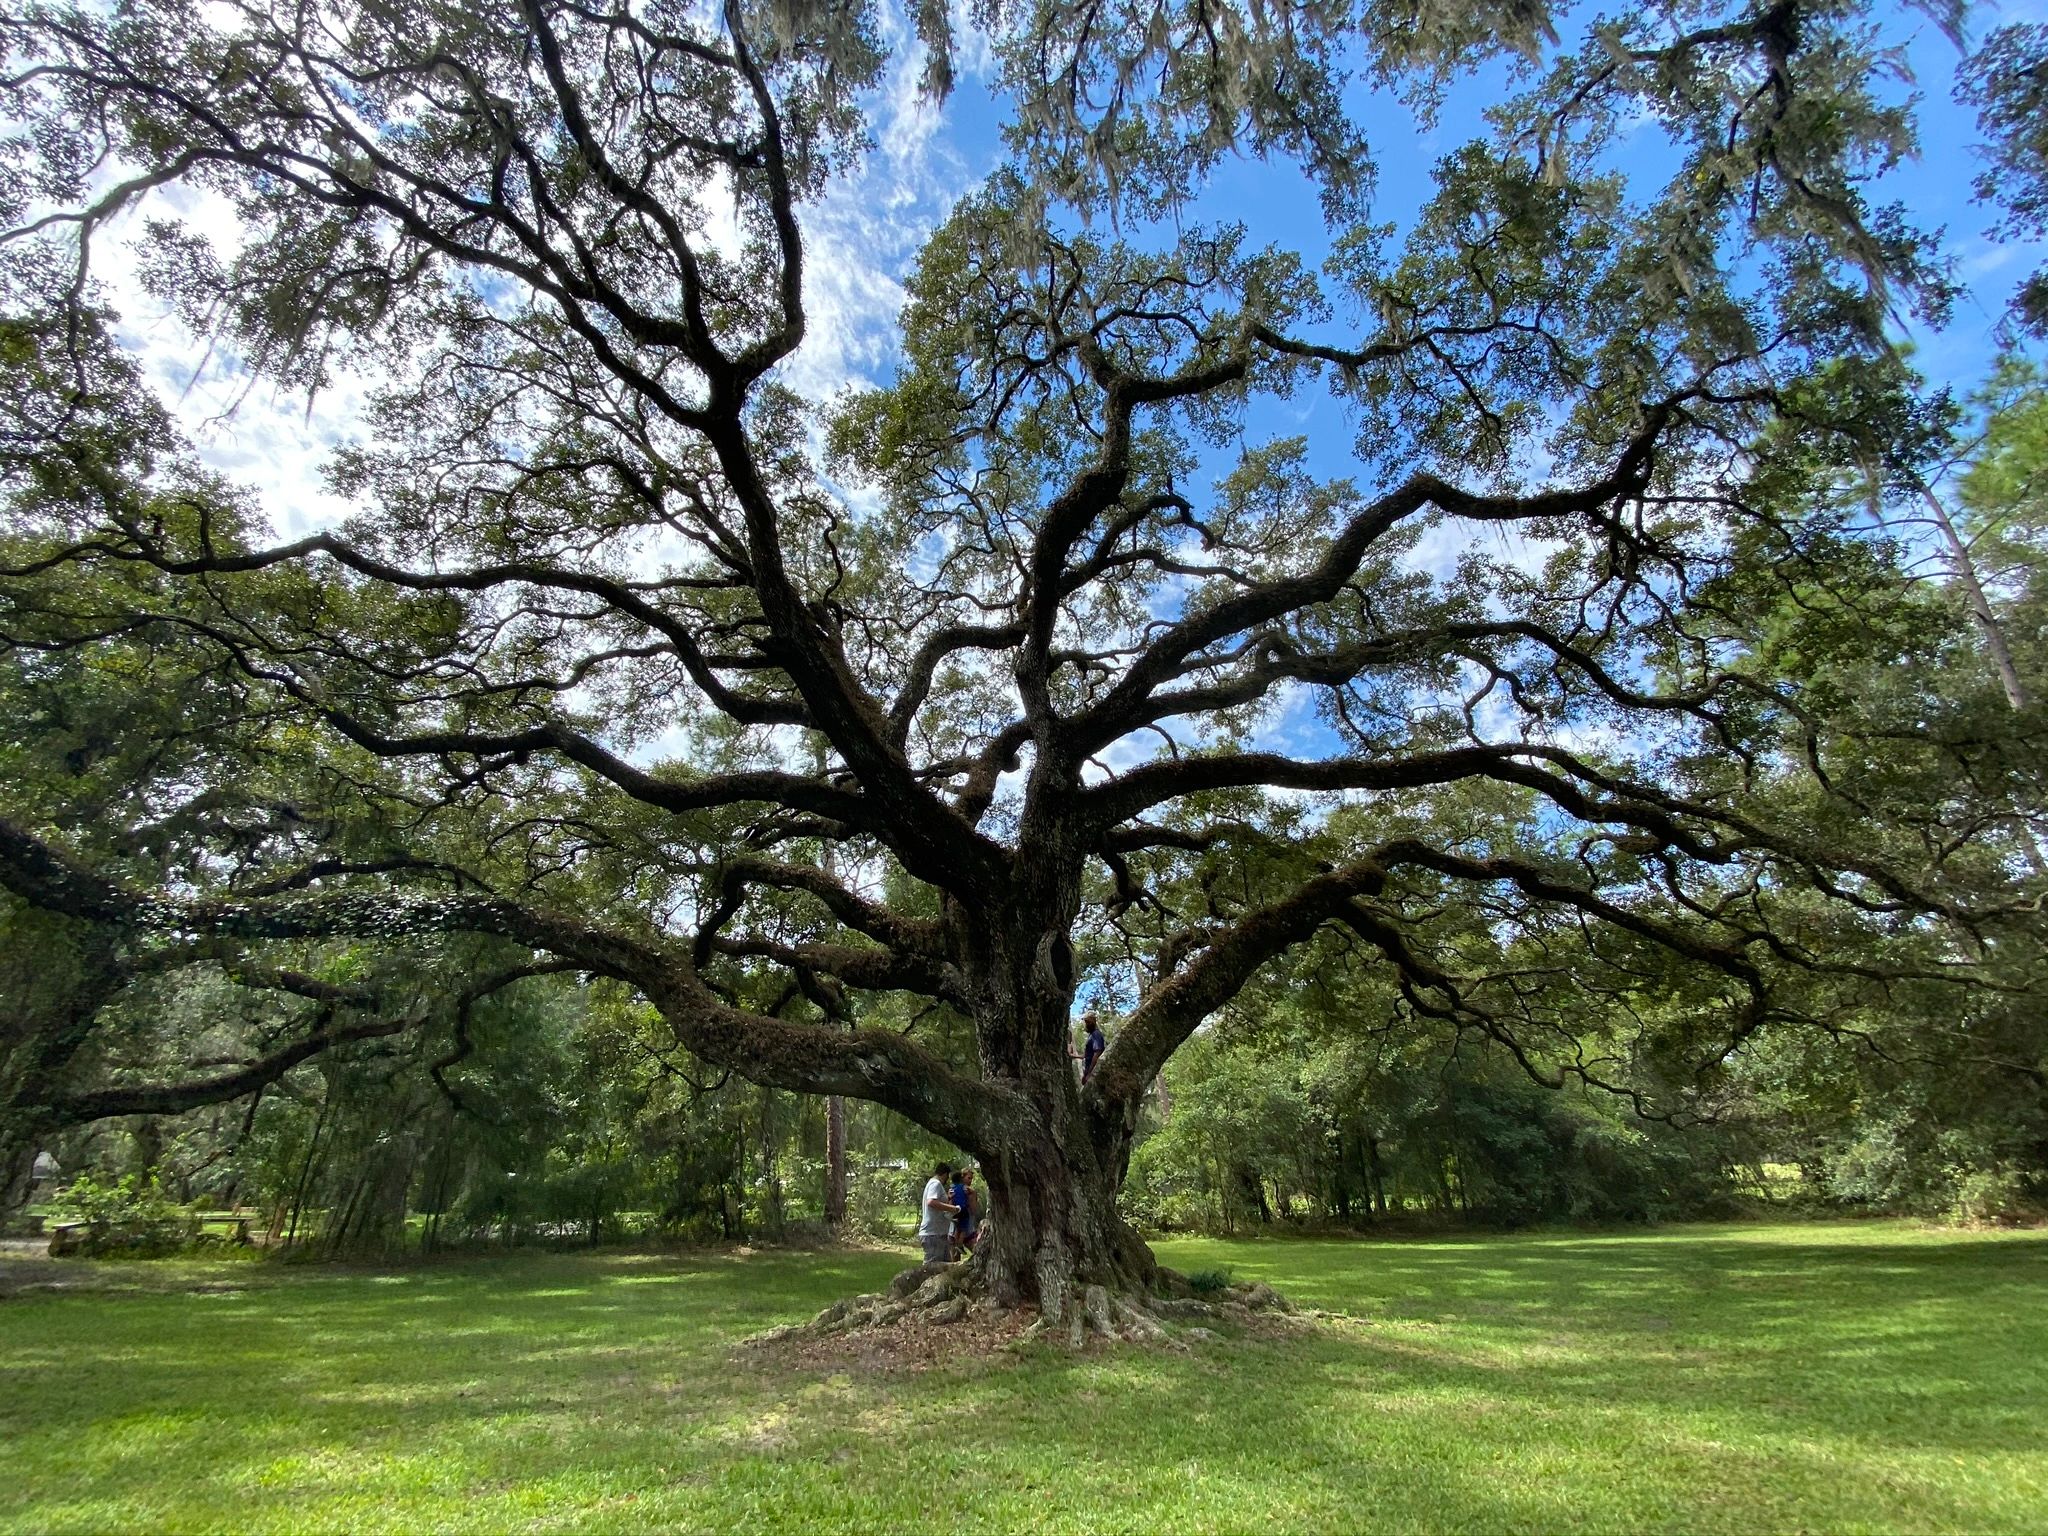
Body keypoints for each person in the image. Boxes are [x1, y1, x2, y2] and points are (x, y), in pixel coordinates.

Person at [918, 1161, 958, 1265]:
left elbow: (937, 1202)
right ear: (944, 1174)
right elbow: (931, 1202)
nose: (947, 1179)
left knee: (945, 1269)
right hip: (933, 1234)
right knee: (931, 1268)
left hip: (939, 1233)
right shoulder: (935, 1184)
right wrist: (952, 1209)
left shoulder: (934, 1184)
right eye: (947, 1176)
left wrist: (948, 1198)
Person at [951, 1167, 980, 1258]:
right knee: (954, 1260)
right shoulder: (957, 1190)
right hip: (957, 1229)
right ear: (962, 1177)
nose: (970, 1181)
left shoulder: (969, 1191)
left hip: (968, 1230)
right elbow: (974, 1210)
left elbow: (974, 1210)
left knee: (978, 1254)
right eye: (969, 1178)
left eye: (971, 1178)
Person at [1080, 1010, 1107, 1083]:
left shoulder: (1096, 1034)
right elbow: (1086, 1055)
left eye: (1088, 1022)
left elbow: (1097, 1054)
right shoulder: (1091, 1035)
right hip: (1087, 1071)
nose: (1086, 1024)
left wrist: (1089, 1074)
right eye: (1085, 1022)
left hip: (1092, 1073)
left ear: (1093, 1022)